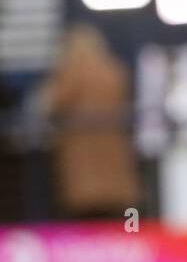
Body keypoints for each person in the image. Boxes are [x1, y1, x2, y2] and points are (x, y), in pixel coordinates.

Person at [35, 25, 141, 221]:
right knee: (118, 216)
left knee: (85, 216)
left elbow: (49, 103)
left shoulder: (71, 72)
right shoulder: (114, 70)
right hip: (114, 156)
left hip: (80, 159)